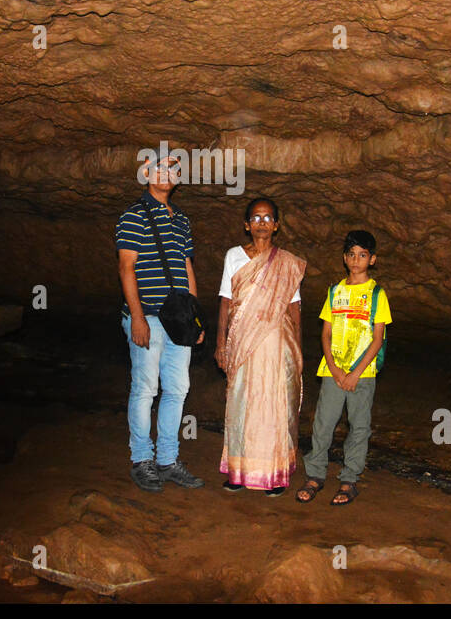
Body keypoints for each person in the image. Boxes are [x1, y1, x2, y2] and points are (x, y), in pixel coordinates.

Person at [115, 154, 205, 493]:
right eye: (159, 167)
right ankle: (142, 460)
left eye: (173, 169)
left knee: (177, 389)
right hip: (147, 316)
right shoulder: (133, 216)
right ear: (146, 174)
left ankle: (167, 460)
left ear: (178, 178)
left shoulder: (181, 219)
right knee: (145, 389)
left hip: (178, 320)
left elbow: (187, 268)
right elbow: (126, 268)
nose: (166, 173)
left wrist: (195, 319)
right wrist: (138, 317)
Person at [215, 197, 307, 496]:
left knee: (274, 406)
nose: (262, 223)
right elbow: (226, 301)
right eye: (256, 218)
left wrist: (298, 350)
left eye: (268, 218)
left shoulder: (287, 263)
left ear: (276, 225)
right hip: (242, 341)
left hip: (277, 344)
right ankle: (239, 472)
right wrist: (221, 343)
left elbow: (294, 307)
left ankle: (275, 475)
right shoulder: (234, 257)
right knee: (241, 402)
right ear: (246, 224)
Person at [297, 230, 391, 506]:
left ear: (372, 259)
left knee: (359, 427)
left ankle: (349, 480)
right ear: (344, 258)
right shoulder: (335, 291)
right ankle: (315, 475)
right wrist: (336, 370)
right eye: (351, 254)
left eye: (362, 255)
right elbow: (325, 333)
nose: (356, 260)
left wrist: (355, 373)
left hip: (363, 373)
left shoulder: (377, 294)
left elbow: (377, 339)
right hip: (332, 372)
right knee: (323, 424)